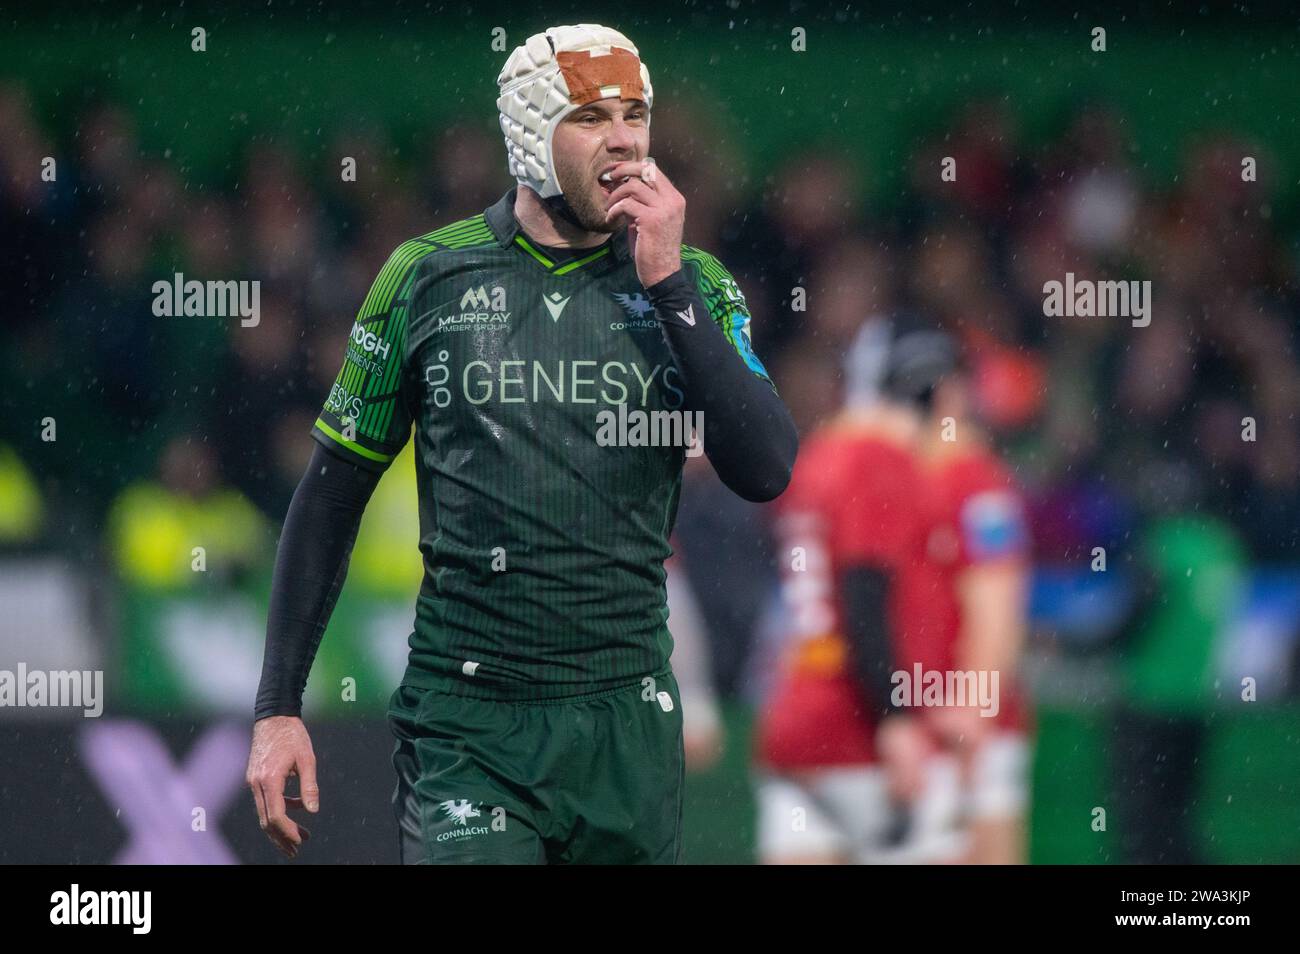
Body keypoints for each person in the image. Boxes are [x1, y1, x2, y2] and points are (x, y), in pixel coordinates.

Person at [245, 22, 797, 864]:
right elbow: (330, 494)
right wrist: (277, 706)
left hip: (628, 727)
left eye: (636, 114)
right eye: (590, 116)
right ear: (532, 136)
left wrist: (670, 282)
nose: (623, 138)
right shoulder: (426, 276)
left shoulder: (696, 281)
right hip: (469, 723)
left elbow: (766, 470)